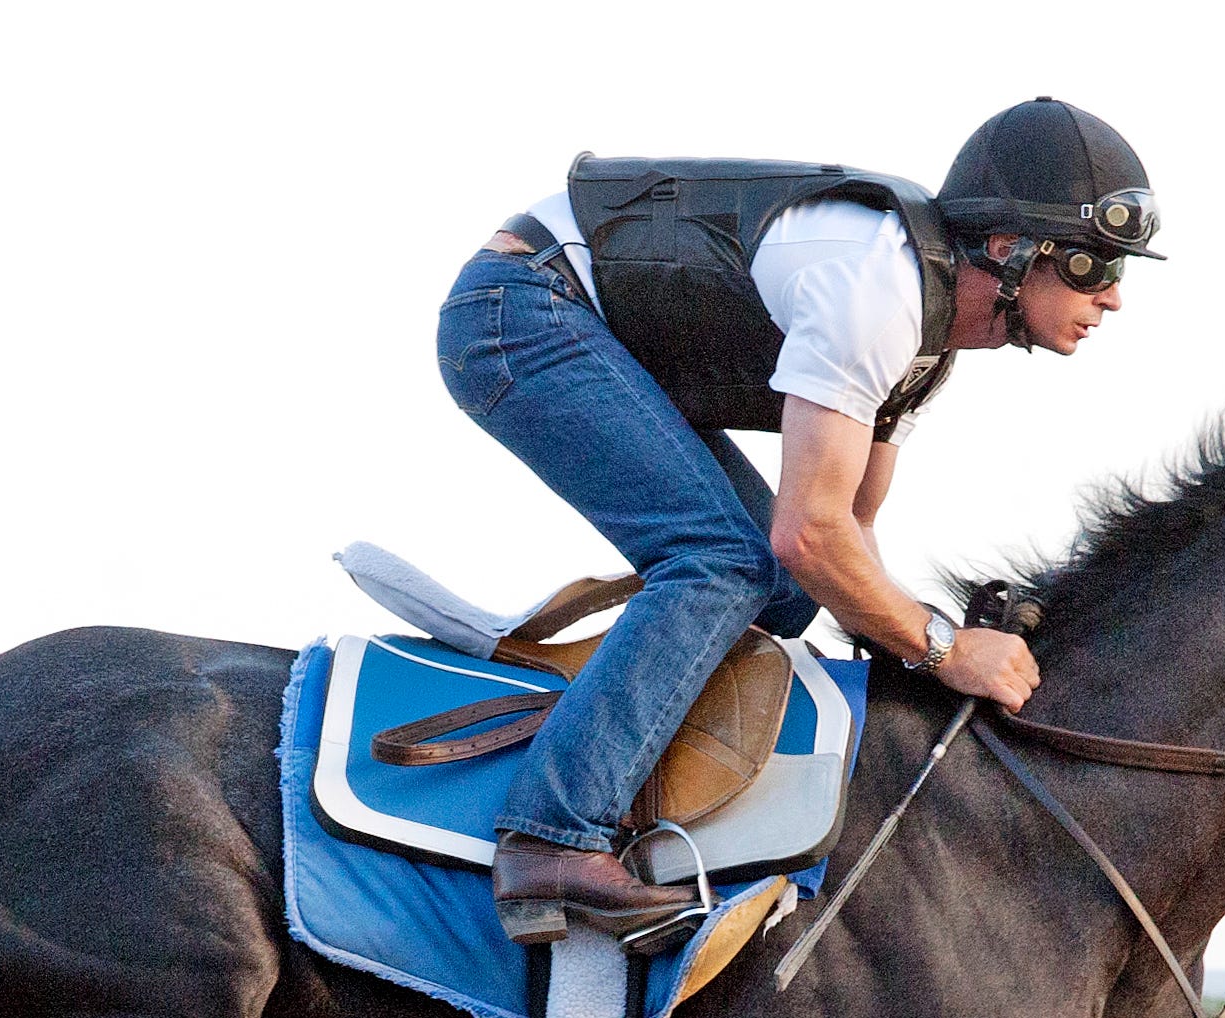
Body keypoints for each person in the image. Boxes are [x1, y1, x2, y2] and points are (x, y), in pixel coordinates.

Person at [439, 98, 1161, 946]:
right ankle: (552, 838)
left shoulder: (927, 349)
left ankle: (629, 752)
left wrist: (913, 649)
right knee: (721, 560)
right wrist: (944, 648)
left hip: (575, 312)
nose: (1112, 297)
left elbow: (842, 540)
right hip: (519, 310)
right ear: (1007, 250)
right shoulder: (878, 293)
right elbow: (809, 532)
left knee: (782, 593)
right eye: (1089, 265)